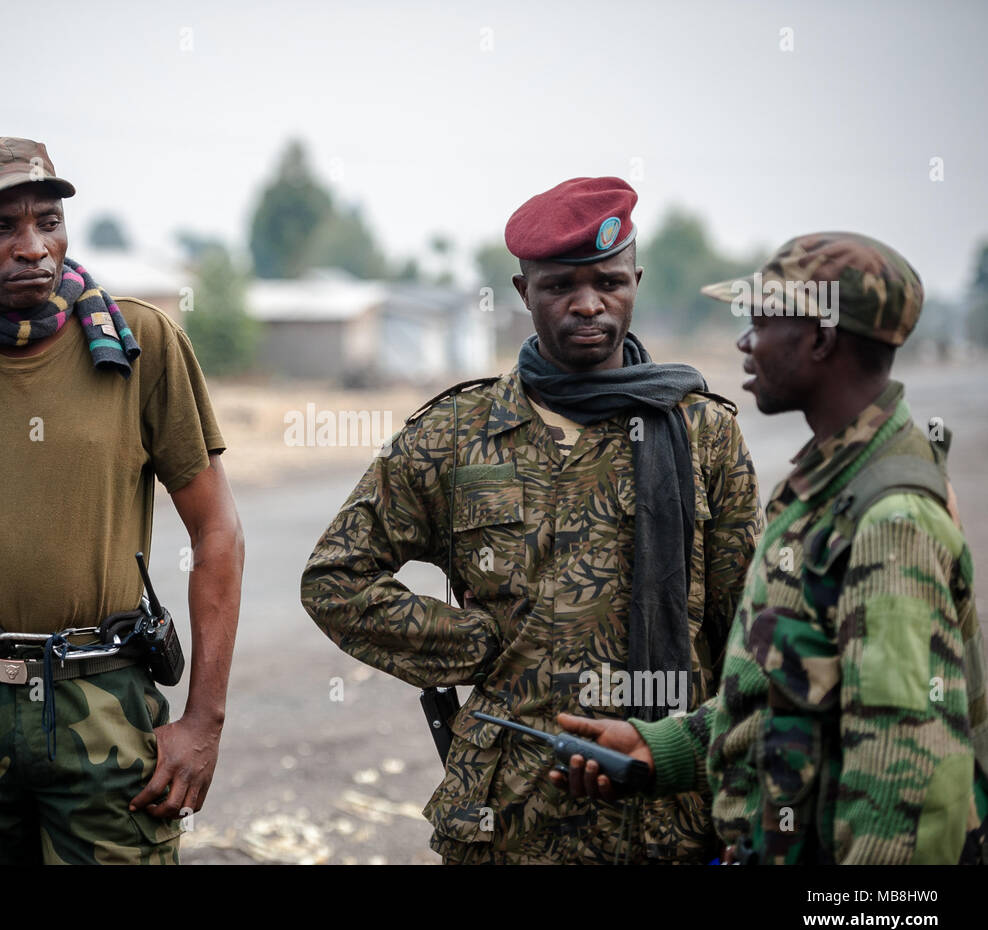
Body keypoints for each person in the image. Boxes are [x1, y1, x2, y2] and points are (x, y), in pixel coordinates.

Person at [299, 176, 762, 863]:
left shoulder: (703, 433)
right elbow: (336, 579)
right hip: (511, 815)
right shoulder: (456, 433)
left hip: (666, 816)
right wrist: (476, 645)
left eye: (608, 282)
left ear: (635, 279)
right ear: (523, 292)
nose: (587, 304)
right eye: (558, 286)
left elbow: (746, 635)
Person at [0, 136, 244, 864]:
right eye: (1, 227)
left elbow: (216, 530)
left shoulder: (139, 345)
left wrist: (204, 721)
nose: (33, 246)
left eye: (47, 221)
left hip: (102, 702)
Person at [552, 232, 988, 865]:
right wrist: (662, 747)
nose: (744, 341)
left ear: (819, 339)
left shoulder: (890, 517)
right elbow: (783, 685)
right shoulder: (826, 486)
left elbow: (902, 772)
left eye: (761, 321)